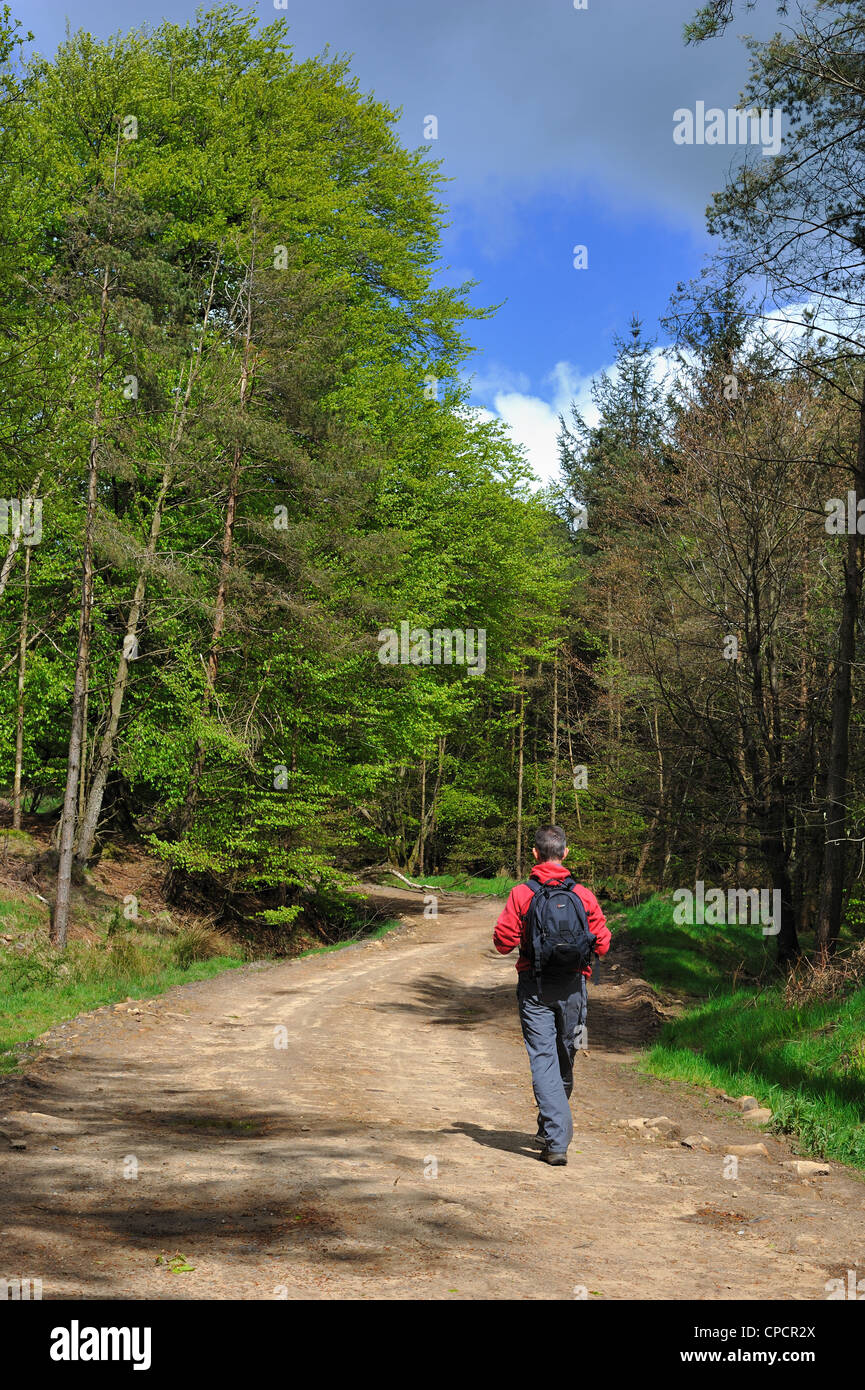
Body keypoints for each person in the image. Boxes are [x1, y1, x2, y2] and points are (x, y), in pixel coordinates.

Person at [493, 824, 610, 1166]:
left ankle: (556, 1138)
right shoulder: (583, 894)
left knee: (544, 1060)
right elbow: (602, 942)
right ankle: (552, 1131)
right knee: (564, 1057)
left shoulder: (521, 894)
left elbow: (502, 943)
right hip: (574, 987)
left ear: (534, 854)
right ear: (565, 854)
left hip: (535, 986)